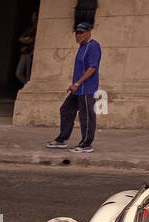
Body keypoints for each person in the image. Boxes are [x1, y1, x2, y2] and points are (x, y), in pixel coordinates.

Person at [45, 22, 101, 153]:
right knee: (66, 109)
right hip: (77, 89)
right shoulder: (82, 46)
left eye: (81, 33)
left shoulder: (93, 46)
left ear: (88, 33)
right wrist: (74, 85)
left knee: (86, 116)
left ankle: (86, 144)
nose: (78, 35)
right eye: (77, 33)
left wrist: (77, 83)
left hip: (87, 88)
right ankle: (61, 139)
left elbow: (92, 68)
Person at [15, 12, 36, 86]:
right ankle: (27, 87)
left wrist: (27, 40)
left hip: (31, 52)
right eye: (33, 16)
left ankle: (27, 88)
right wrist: (27, 40)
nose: (34, 17)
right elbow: (20, 38)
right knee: (18, 73)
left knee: (28, 74)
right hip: (24, 52)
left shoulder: (37, 28)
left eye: (35, 16)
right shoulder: (29, 28)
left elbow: (32, 40)